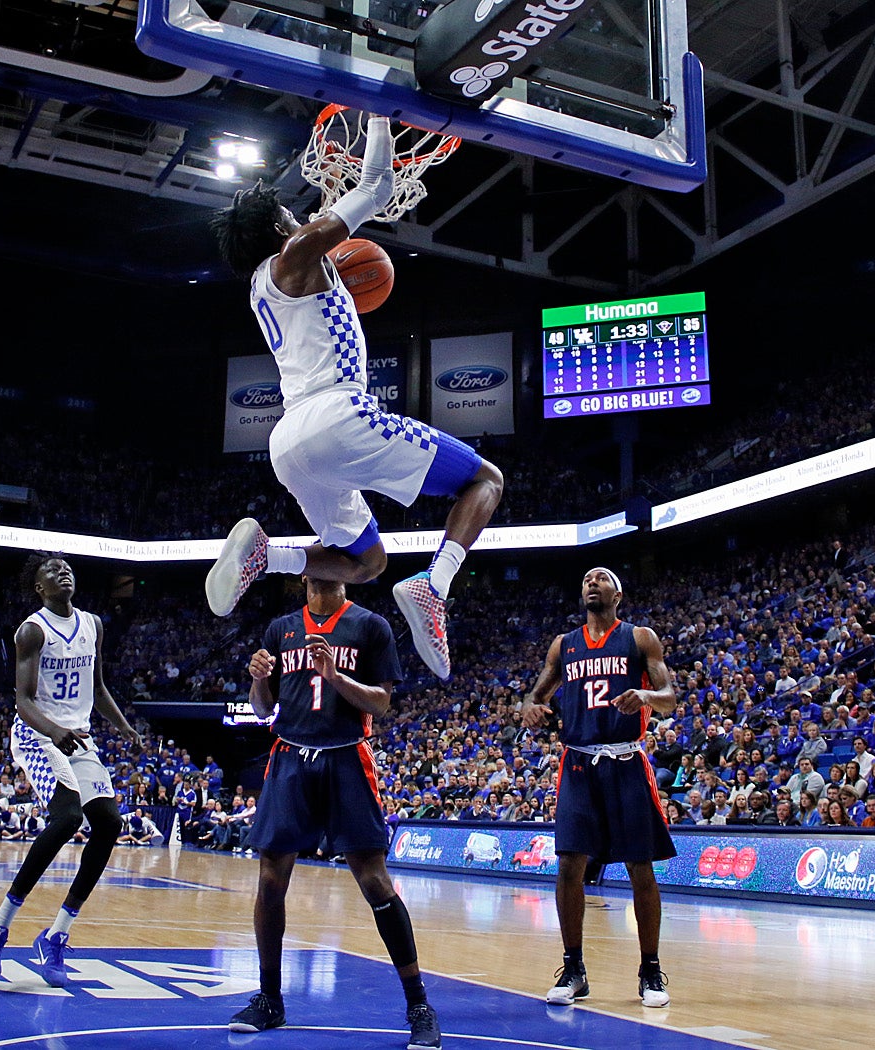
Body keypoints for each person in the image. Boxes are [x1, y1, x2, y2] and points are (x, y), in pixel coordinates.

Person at [206, 122, 504, 681]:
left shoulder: (262, 285)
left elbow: (327, 229)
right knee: (485, 480)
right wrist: (379, 114)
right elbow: (376, 187)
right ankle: (434, 586)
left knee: (366, 563)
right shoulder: (294, 254)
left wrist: (329, 205)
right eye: (292, 219)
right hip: (338, 415)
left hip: (290, 442)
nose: (302, 222)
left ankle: (266, 557)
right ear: (279, 227)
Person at [226, 576, 441, 1049]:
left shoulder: (370, 626)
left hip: (346, 754)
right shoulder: (280, 628)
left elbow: (382, 703)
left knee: (375, 881)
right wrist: (259, 679)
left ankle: (419, 1005)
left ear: (347, 570)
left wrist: (336, 677)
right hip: (289, 756)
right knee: (269, 880)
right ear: (304, 573)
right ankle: (269, 999)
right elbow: (263, 709)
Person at [0, 555, 141, 985]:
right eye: (52, 569)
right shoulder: (32, 630)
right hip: (36, 735)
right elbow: (23, 700)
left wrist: (123, 726)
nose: (63, 571)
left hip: (77, 736)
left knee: (108, 822)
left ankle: (57, 934)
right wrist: (54, 729)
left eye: (67, 567)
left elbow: (97, 687)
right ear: (39, 588)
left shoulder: (93, 625)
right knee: (66, 817)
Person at [519, 567, 675, 1009]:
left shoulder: (639, 638)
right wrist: (531, 707)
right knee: (569, 864)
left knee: (639, 867)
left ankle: (650, 971)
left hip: (626, 758)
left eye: (601, 577)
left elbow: (670, 697)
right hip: (579, 763)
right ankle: (573, 969)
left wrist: (645, 697)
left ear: (618, 594)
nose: (591, 582)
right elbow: (537, 695)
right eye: (586, 578)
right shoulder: (563, 645)